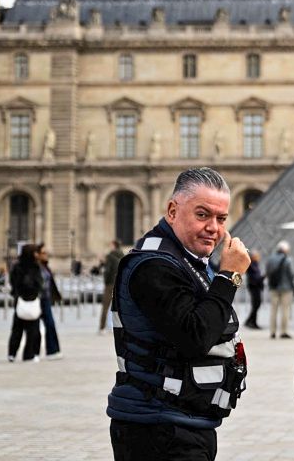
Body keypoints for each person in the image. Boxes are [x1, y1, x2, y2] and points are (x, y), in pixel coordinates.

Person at [107, 167, 251, 461]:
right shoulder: (154, 267)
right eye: (202, 215)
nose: (214, 227)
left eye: (221, 219)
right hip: (158, 428)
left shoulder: (188, 261)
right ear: (172, 211)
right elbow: (195, 336)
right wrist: (229, 278)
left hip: (180, 421)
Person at [7, 243, 44, 363]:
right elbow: (39, 283)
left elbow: (13, 282)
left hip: (20, 300)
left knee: (17, 329)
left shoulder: (17, 266)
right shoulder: (35, 267)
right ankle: (31, 353)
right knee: (33, 329)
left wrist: (16, 294)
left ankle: (12, 353)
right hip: (32, 300)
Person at [37, 244, 63, 360]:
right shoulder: (36, 267)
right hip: (38, 299)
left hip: (45, 299)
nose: (47, 255)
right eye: (44, 253)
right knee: (35, 326)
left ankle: (53, 350)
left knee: (50, 323)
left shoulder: (45, 267)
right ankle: (46, 351)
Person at [267, 240, 294, 339]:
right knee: (285, 310)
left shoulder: (270, 259)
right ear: (285, 249)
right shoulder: (288, 260)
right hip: (286, 288)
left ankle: (272, 331)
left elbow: (267, 272)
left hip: (273, 287)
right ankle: (283, 331)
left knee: (273, 310)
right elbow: (291, 274)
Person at [100, 241, 125, 333]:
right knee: (118, 306)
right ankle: (117, 327)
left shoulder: (110, 256)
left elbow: (107, 271)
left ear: (114, 246)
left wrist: (106, 282)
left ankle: (102, 327)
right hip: (119, 282)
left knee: (105, 306)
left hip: (110, 283)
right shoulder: (123, 255)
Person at [245, 251, 265, 329]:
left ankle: (251, 321)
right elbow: (255, 276)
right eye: (257, 256)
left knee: (256, 304)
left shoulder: (255, 264)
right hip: (254, 286)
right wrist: (262, 277)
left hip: (256, 286)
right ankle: (251, 322)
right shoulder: (251, 264)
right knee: (256, 304)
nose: (258, 257)